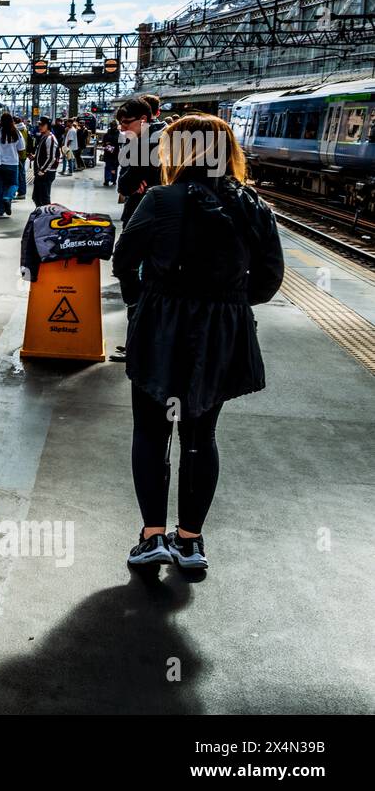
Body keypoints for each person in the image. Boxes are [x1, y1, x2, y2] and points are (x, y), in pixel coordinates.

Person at [112, 114, 284, 571]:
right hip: (220, 335)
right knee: (200, 434)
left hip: (160, 328)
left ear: (178, 152)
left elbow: (124, 261)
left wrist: (141, 305)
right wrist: (226, 304)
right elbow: (269, 281)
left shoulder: (159, 200)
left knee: (151, 431)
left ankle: (152, 539)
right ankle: (189, 543)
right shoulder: (253, 205)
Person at [115, 98, 164, 227]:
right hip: (156, 214)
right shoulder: (139, 137)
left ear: (143, 119)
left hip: (142, 215)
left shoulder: (145, 142)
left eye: (126, 123)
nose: (122, 129)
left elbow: (125, 186)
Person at [0, 112, 25, 217]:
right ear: (12, 121)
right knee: (14, 184)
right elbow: (21, 149)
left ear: (1, 121)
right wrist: (18, 155)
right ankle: (7, 197)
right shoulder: (16, 133)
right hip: (12, 164)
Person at [30, 116, 60, 206]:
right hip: (43, 172)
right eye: (39, 124)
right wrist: (35, 157)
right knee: (37, 197)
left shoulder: (50, 138)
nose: (40, 126)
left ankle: (46, 217)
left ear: (48, 125)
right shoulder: (45, 137)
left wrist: (42, 170)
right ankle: (41, 216)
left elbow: (51, 157)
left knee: (43, 198)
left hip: (46, 173)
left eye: (42, 125)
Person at [14, 116, 32, 200]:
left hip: (17, 155)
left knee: (17, 175)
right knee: (22, 174)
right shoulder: (25, 129)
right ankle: (22, 192)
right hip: (24, 155)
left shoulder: (15, 131)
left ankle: (19, 192)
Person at [100, 118, 120, 187]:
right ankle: (109, 180)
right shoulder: (116, 134)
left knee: (112, 167)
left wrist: (108, 143)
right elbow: (104, 143)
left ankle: (112, 179)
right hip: (111, 153)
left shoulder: (117, 135)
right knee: (111, 167)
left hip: (114, 153)